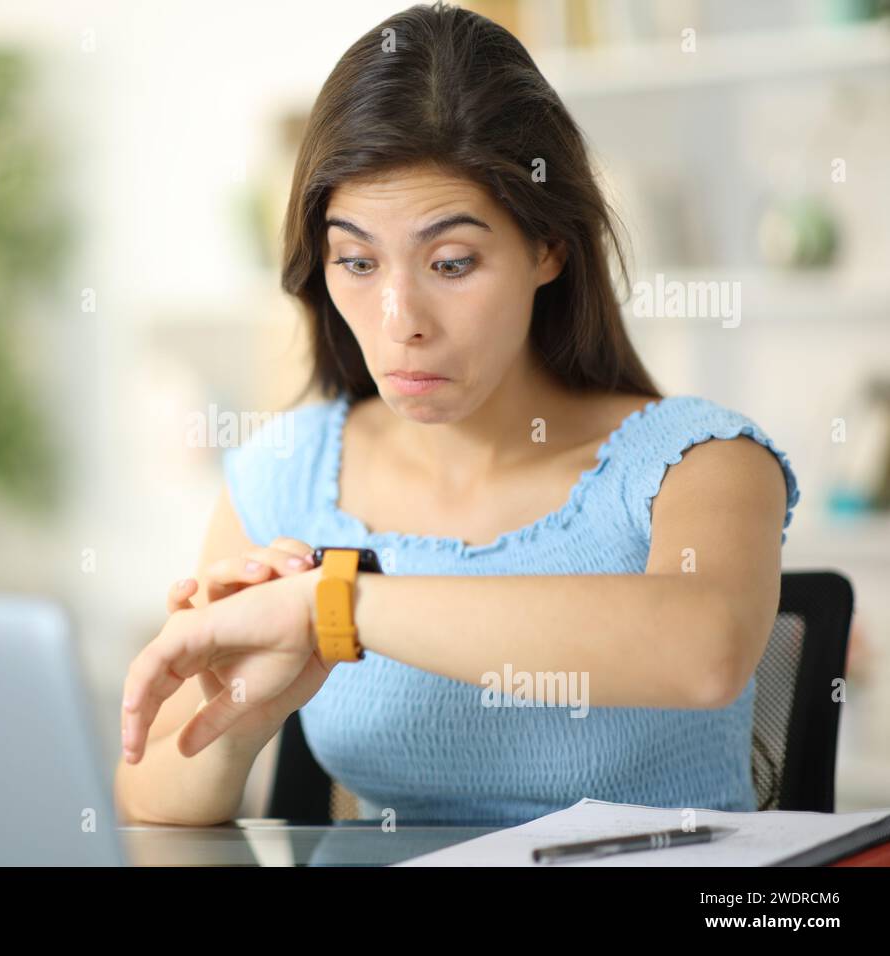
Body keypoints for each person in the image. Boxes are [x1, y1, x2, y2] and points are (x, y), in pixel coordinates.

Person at [115, 1, 798, 827]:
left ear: (548, 248)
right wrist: (243, 718)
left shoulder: (697, 459)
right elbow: (147, 790)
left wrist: (332, 606)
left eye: (451, 261)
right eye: (358, 261)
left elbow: (704, 649)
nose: (402, 317)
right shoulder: (286, 472)